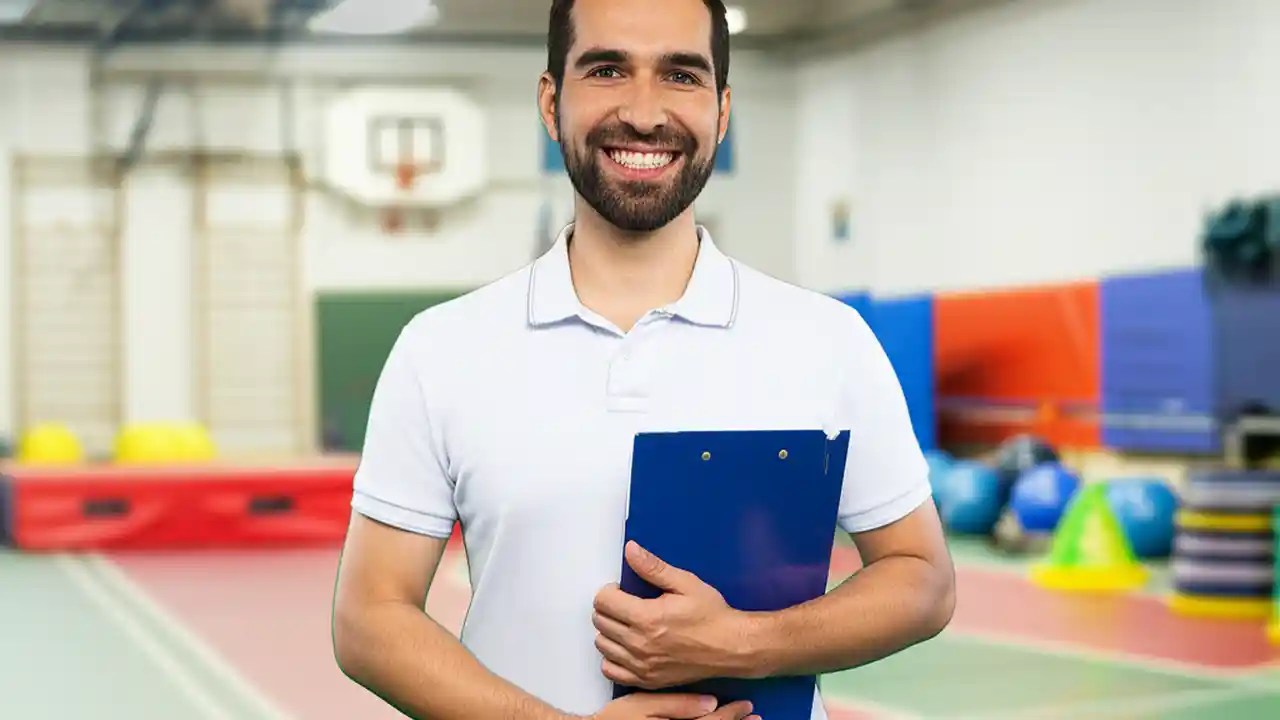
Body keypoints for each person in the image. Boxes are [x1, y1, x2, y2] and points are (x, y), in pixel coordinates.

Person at [330, 0, 956, 718]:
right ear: (550, 100)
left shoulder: (828, 340)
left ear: (722, 112)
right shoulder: (441, 349)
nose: (644, 111)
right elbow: (369, 618)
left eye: (680, 76)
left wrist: (744, 643)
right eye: (606, 69)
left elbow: (923, 580)